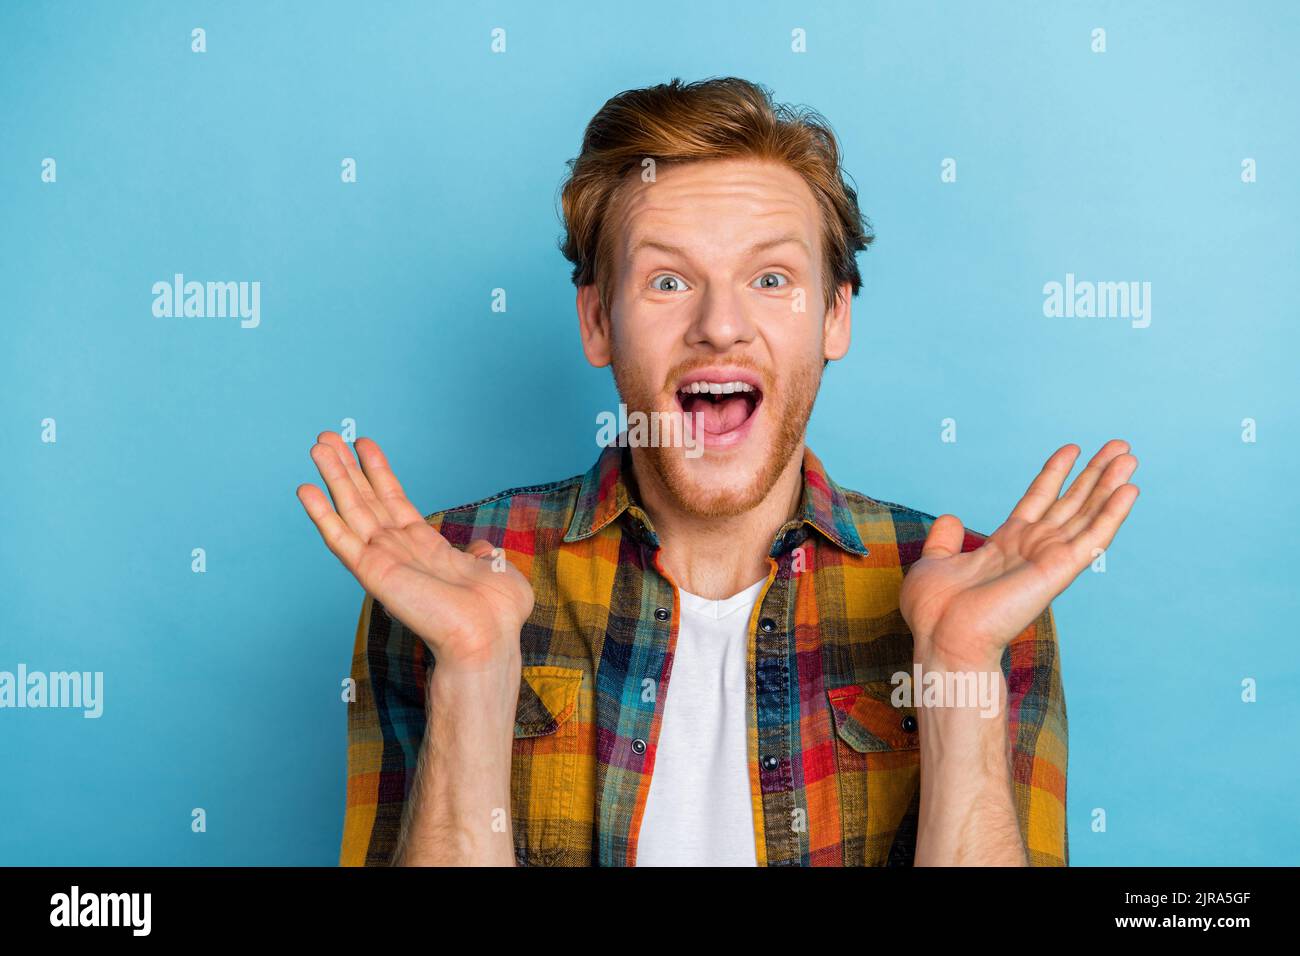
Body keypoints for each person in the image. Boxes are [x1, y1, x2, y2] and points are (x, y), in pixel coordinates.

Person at [296, 76, 1139, 867]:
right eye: (668, 281)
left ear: (835, 317)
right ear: (597, 320)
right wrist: (473, 671)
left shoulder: (975, 594)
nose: (721, 326)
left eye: (771, 278)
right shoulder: (446, 571)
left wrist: (958, 669)